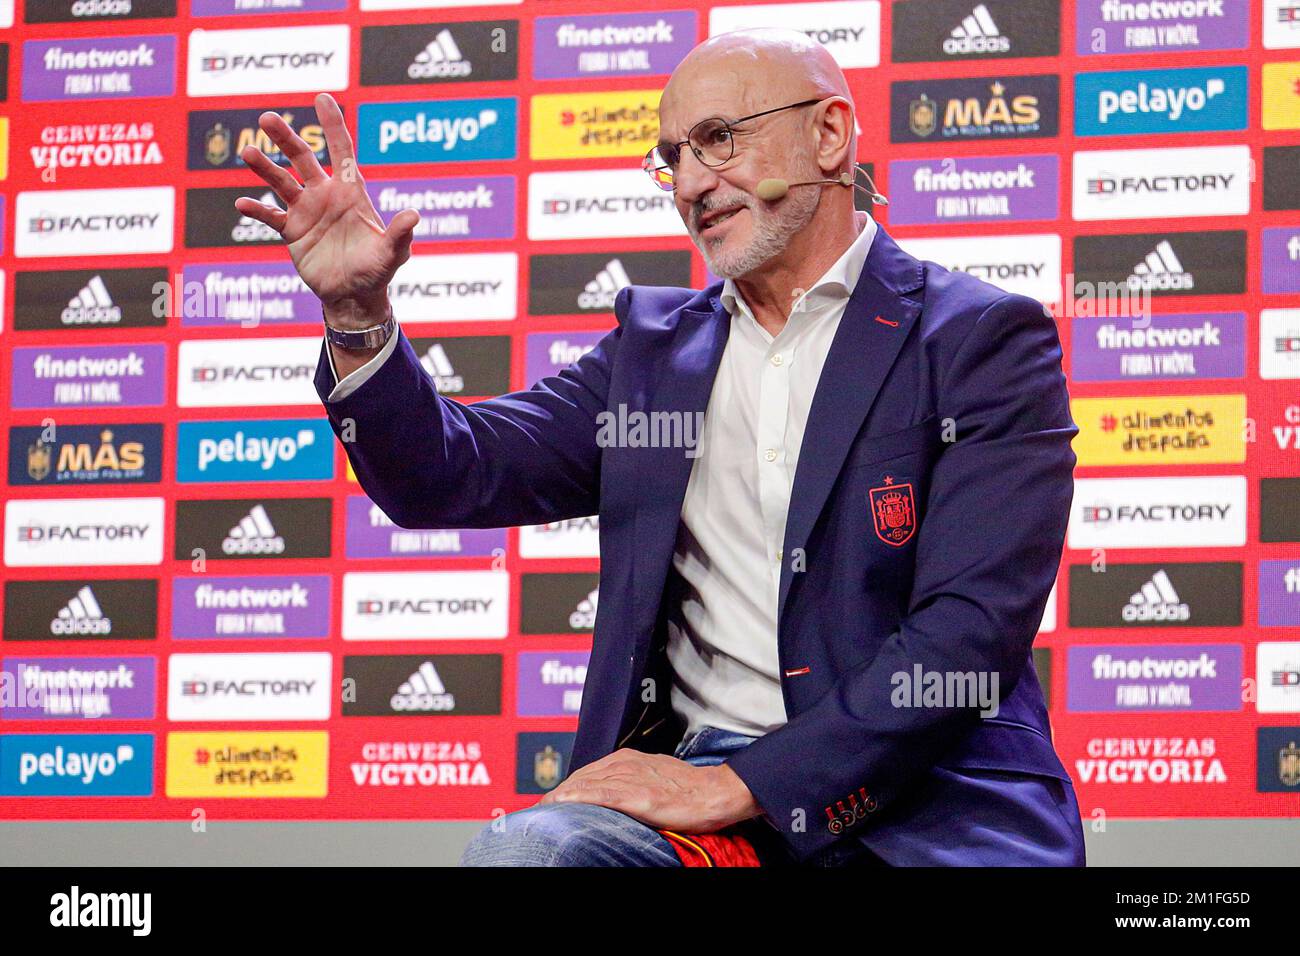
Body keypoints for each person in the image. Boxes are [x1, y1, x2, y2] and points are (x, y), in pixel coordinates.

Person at [236, 28, 1085, 867]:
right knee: (525, 857)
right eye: (671, 157)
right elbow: (449, 476)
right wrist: (357, 317)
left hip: (923, 815)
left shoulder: (977, 339)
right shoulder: (652, 358)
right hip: (695, 820)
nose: (690, 183)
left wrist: (745, 782)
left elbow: (966, 635)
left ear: (829, 135)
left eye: (718, 139)